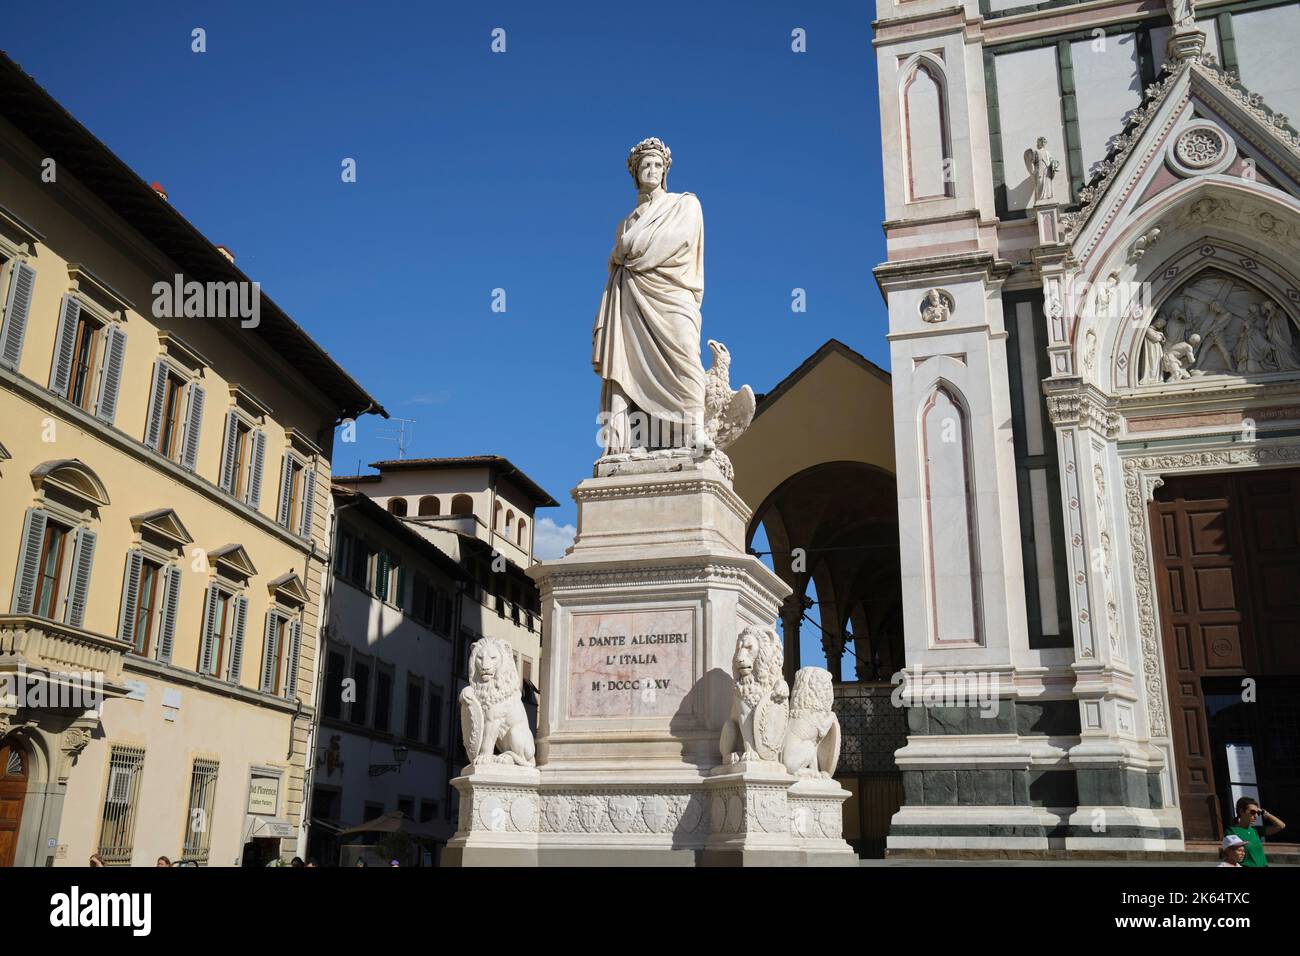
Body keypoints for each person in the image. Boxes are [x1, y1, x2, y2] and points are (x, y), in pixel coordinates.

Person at [1226, 797, 1288, 867]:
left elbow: (1281, 826)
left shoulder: (1255, 830)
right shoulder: (1231, 832)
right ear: (1241, 811)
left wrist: (1266, 814)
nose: (1256, 816)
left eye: (1257, 813)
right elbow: (1230, 858)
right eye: (1252, 812)